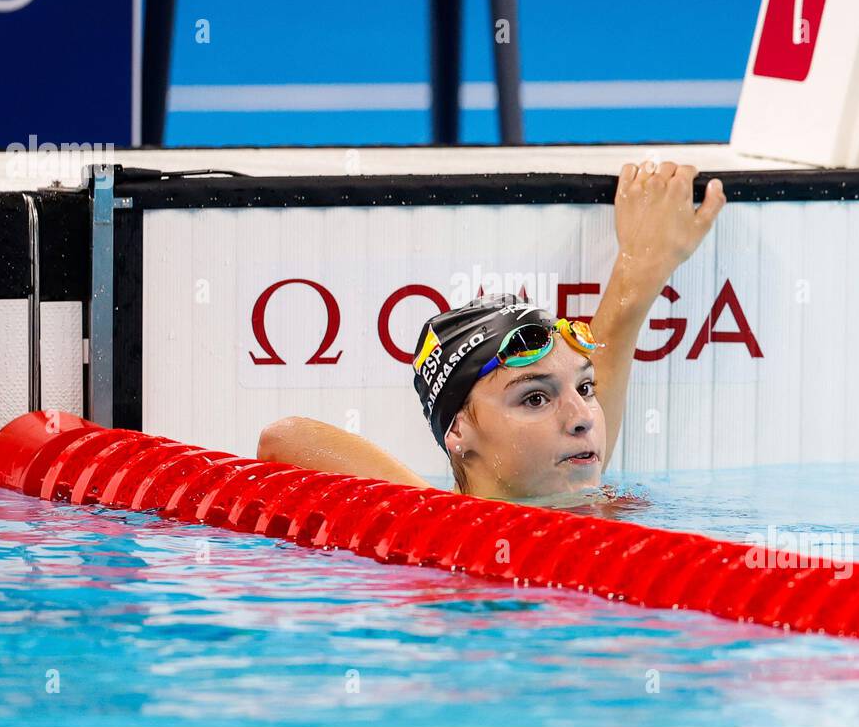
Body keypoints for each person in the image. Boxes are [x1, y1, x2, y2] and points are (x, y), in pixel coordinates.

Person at [258, 161, 726, 500]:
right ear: (458, 429)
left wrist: (641, 268)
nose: (582, 416)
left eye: (585, 388)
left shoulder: (590, 499)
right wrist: (443, 517)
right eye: (535, 398)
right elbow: (283, 439)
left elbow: (605, 355)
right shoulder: (441, 542)